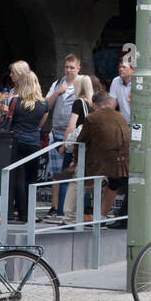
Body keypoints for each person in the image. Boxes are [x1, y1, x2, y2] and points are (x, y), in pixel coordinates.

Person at [76, 92, 130, 221]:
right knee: (113, 185)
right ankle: (101, 216)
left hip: (102, 165)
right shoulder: (121, 116)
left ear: (94, 105)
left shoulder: (92, 118)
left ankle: (73, 216)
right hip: (123, 163)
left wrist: (75, 159)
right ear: (110, 103)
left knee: (78, 180)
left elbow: (81, 141)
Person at [6, 63, 49, 223]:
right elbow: (40, 124)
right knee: (31, 179)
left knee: (18, 178)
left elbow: (10, 122)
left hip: (18, 141)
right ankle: (30, 213)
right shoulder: (44, 104)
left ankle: (21, 212)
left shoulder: (16, 102)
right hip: (34, 143)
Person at [45, 54, 82, 220]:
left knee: (68, 172)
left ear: (78, 68)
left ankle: (65, 208)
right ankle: (54, 206)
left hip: (72, 133)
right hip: (56, 130)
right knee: (56, 172)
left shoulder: (81, 84)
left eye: (72, 67)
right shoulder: (58, 83)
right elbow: (46, 104)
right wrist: (57, 93)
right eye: (66, 67)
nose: (68, 70)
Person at [62, 74, 95, 222]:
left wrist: (64, 144)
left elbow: (71, 126)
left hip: (76, 145)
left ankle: (64, 213)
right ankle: (80, 211)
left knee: (66, 178)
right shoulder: (92, 103)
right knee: (85, 180)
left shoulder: (78, 102)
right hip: (88, 146)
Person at [109, 56, 134, 122]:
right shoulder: (116, 81)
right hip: (123, 122)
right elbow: (111, 104)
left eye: (124, 67)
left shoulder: (139, 82)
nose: (120, 69)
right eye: (119, 67)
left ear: (133, 69)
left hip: (138, 122)